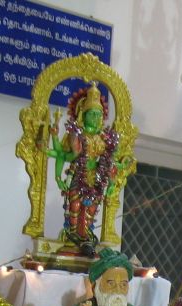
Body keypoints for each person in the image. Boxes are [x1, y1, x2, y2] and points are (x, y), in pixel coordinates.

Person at [47, 82, 126, 250]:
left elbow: (110, 162)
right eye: (93, 114)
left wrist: (111, 184)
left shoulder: (104, 138)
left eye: (99, 114)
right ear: (84, 113)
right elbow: (62, 154)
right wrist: (57, 175)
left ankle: (86, 237)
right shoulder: (76, 135)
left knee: (91, 208)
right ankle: (73, 237)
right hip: (78, 175)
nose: (96, 118)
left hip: (96, 179)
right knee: (75, 206)